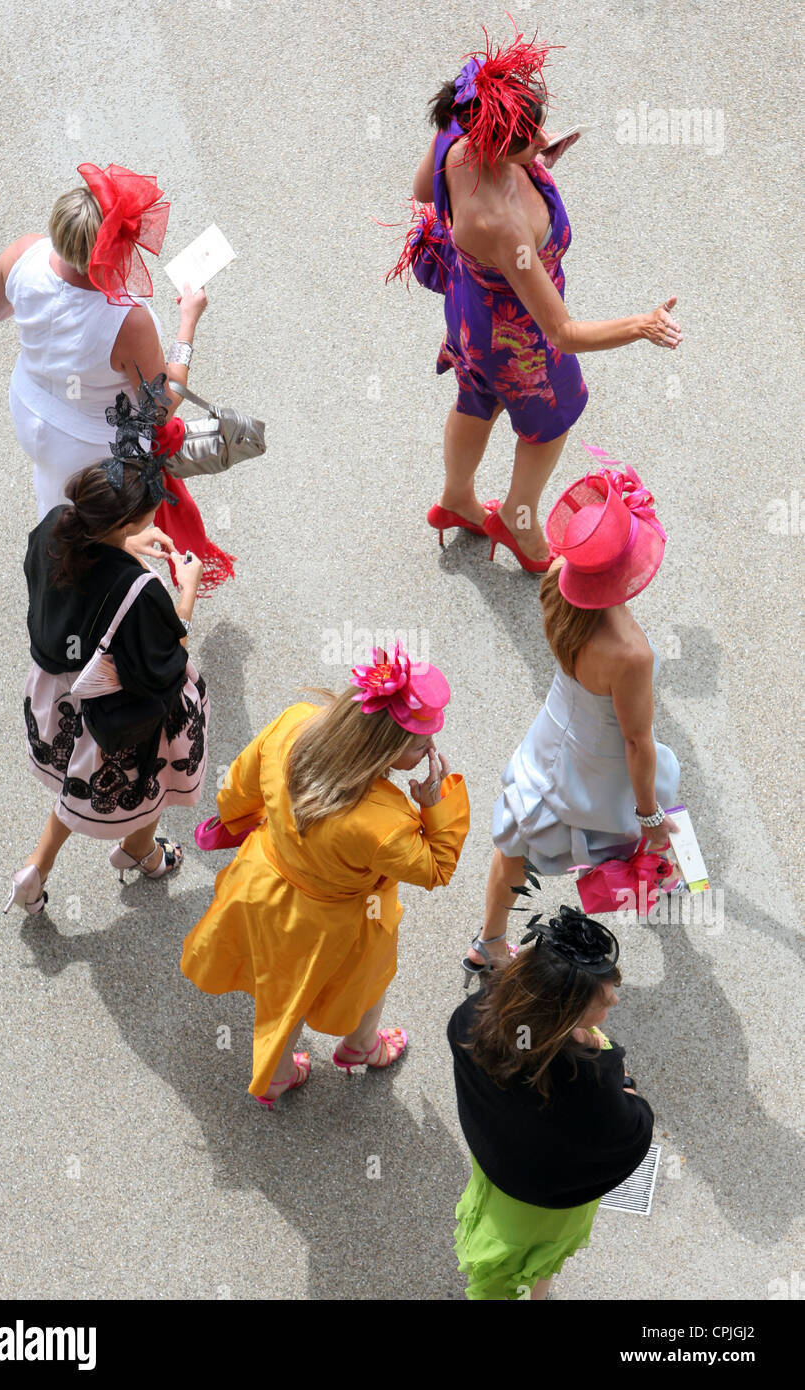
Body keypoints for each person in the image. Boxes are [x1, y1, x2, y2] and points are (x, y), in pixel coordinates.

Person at [393, 27, 682, 572]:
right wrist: (642, 325)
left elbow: (423, 192)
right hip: (517, 340)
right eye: (530, 138)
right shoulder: (502, 226)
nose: (543, 138)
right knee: (551, 424)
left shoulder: (461, 128)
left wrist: (529, 165)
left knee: (474, 397)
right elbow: (563, 333)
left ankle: (456, 498)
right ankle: (521, 526)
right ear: (498, 143)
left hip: (469, 313)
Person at [180, 642, 470, 1109]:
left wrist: (231, 822)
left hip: (261, 881)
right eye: (420, 744)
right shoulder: (386, 822)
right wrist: (435, 805)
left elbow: (239, 783)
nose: (431, 748)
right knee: (367, 979)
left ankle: (278, 1075)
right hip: (332, 923)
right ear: (387, 747)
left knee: (280, 992)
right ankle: (361, 1046)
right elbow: (436, 868)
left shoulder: (295, 723)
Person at [464, 446, 680, 981]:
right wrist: (650, 819)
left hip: (554, 734)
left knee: (516, 835)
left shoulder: (559, 580)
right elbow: (636, 743)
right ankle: (657, 871)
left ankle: (489, 942)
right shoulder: (631, 653)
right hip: (600, 756)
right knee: (631, 820)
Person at [0, 162, 234, 586]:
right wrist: (188, 322)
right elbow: (161, 407)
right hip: (86, 448)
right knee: (94, 535)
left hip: (30, 407)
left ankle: (54, 565)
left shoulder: (23, 253)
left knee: (54, 501)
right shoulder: (127, 320)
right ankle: (93, 600)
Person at [5, 383, 209, 916]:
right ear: (125, 523)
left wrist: (123, 546)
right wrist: (184, 592)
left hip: (61, 693)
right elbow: (165, 656)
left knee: (76, 780)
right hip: (113, 715)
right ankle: (140, 852)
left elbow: (77, 582)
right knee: (151, 783)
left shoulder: (55, 525)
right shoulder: (140, 593)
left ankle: (34, 871)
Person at [448, 907, 654, 1300]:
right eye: (604, 1001)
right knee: (521, 1274)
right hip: (540, 1209)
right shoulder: (588, 1079)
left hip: (496, 1165)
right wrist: (622, 1082)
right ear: (563, 1016)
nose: (613, 1002)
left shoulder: (472, 1019)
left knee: (515, 1270)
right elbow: (633, 1134)